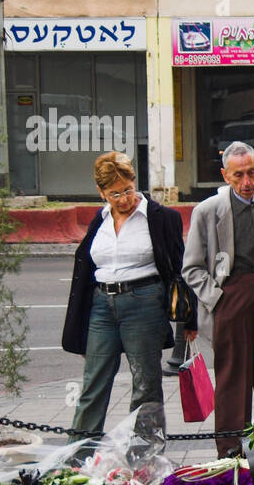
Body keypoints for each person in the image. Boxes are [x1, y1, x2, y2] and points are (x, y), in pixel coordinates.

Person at [62, 152, 191, 438]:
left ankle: (145, 459)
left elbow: (179, 270)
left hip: (144, 301)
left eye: (128, 189)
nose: (123, 199)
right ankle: (78, 457)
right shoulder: (101, 218)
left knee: (145, 385)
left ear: (135, 182)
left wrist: (187, 322)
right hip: (101, 305)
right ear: (101, 192)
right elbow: (85, 267)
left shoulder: (160, 217)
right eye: (114, 193)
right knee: (93, 383)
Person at [182, 141, 254, 457]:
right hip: (231, 297)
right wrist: (217, 299)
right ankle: (230, 452)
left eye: (251, 173)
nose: (246, 182)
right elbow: (190, 267)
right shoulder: (207, 211)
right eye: (238, 176)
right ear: (225, 175)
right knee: (233, 378)